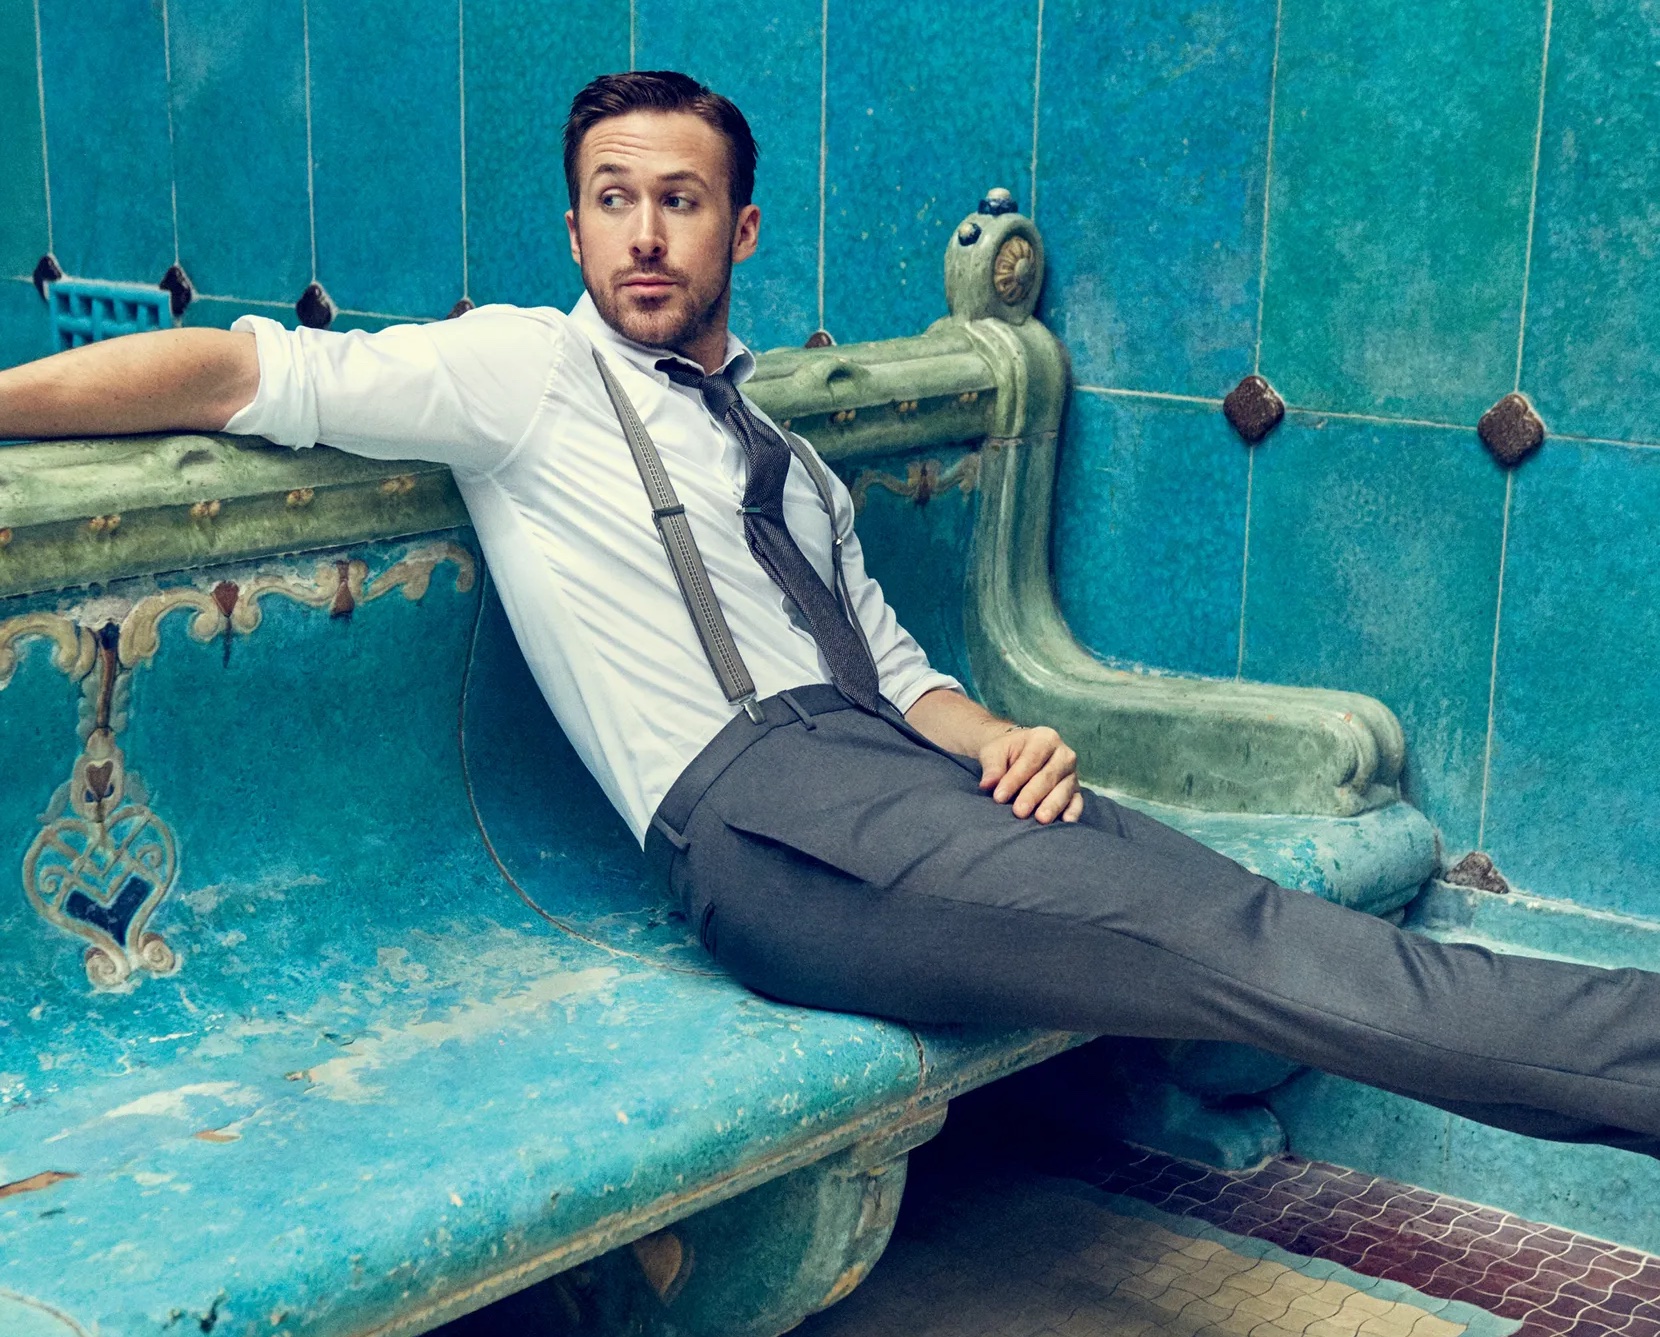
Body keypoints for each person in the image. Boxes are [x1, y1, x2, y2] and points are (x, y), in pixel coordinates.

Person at [4, 69, 1660, 1157]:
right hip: (768, 829)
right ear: (573, 222)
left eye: (678, 200)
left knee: (1248, 912)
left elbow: (893, 660)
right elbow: (238, 369)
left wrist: (996, 732)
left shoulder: (790, 460)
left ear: (739, 226)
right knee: (1247, 949)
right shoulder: (520, 374)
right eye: (610, 199)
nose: (642, 234)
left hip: (905, 777)